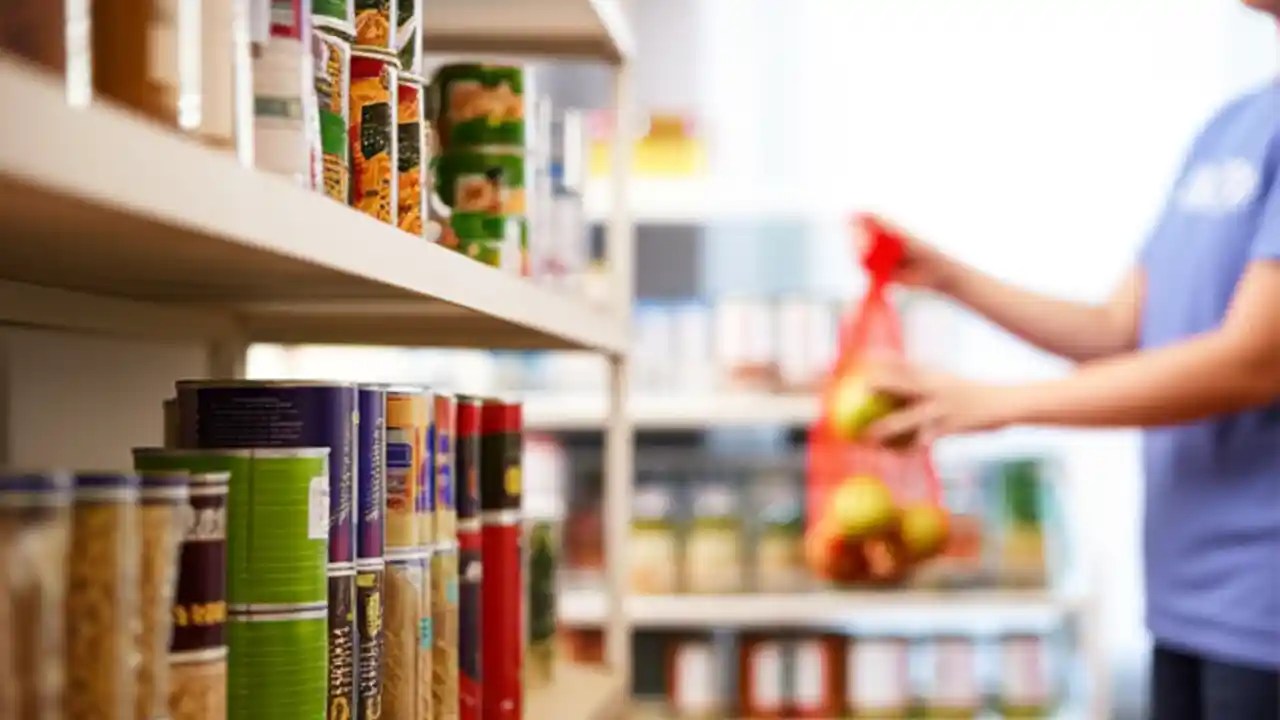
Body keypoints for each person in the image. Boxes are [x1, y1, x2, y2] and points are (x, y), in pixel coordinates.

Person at [861, 2, 1280, 718]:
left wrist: (994, 404)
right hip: (1185, 592)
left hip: (1263, 599)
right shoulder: (1231, 127)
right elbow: (1120, 326)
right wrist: (951, 278)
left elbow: (1253, 361)